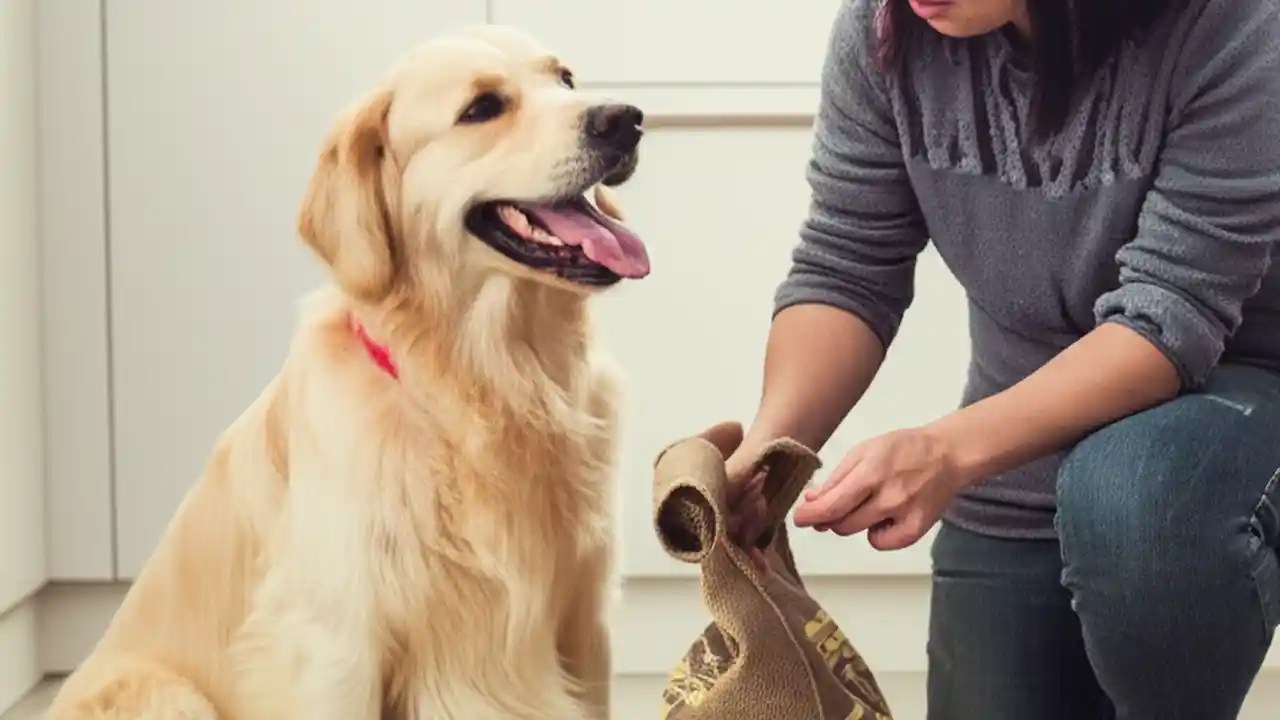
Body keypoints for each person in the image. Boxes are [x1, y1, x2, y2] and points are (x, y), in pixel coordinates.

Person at [722, 0, 1280, 718]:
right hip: (1016, 460)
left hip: (1231, 416)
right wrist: (773, 453)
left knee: (1135, 501)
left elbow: (1168, 316)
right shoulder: (885, 32)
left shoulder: (1236, 25)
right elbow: (846, 266)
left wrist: (945, 451)